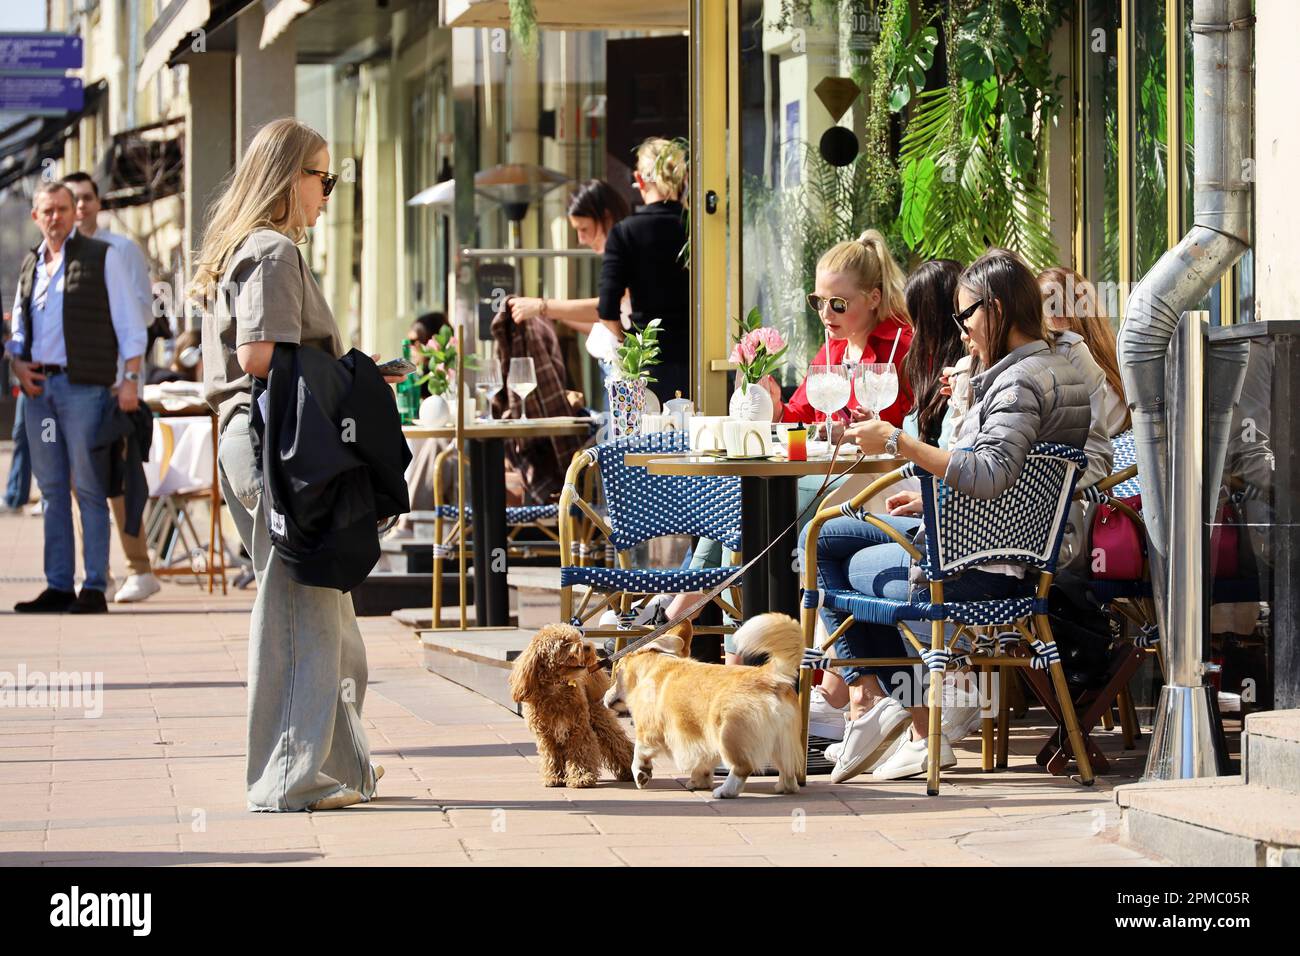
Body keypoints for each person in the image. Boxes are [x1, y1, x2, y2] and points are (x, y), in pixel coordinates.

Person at [807, 248, 1091, 783]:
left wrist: (899, 442)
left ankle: (904, 711)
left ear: (997, 309)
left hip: (977, 567)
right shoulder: (1049, 369)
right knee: (824, 536)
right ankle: (879, 702)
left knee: (841, 555)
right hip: (1003, 547)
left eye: (965, 316)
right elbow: (1008, 479)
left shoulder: (1021, 380)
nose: (960, 331)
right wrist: (930, 490)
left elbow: (988, 473)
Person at [197, 117, 400, 812]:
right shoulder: (272, 251)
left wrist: (354, 373)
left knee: (331, 624)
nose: (327, 193)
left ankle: (339, 768)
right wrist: (350, 375)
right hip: (279, 445)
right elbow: (258, 355)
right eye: (323, 177)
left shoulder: (253, 249)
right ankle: (290, 778)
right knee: (300, 618)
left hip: (272, 440)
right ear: (290, 179)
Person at [6, 181, 147, 614]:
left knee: (88, 488)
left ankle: (94, 587)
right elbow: (18, 328)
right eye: (48, 210)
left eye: (63, 209)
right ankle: (59, 585)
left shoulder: (101, 257)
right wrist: (16, 363)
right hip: (39, 394)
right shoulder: (31, 264)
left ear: (75, 213)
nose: (56, 217)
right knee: (50, 490)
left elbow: (131, 326)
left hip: (84, 390)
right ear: (36, 216)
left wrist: (129, 379)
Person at [63, 171, 162, 603]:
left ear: (98, 202)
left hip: (116, 382)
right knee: (80, 483)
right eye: (73, 201)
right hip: (74, 386)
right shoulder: (55, 256)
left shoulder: (121, 250)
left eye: (86, 198)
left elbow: (141, 314)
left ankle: (139, 566)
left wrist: (127, 376)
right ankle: (96, 569)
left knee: (120, 478)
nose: (80, 207)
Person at [761, 229, 913, 428]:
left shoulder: (903, 348)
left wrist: (872, 430)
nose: (825, 313)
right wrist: (775, 408)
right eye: (818, 301)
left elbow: (920, 431)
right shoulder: (832, 349)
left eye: (838, 304)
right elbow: (802, 416)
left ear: (874, 298)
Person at [596, 139, 690, 404]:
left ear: (639, 178)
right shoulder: (696, 229)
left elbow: (607, 310)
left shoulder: (625, 232)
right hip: (698, 359)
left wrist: (627, 344)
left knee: (645, 440)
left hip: (648, 364)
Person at [510, 180, 631, 377]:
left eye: (583, 229)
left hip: (623, 369)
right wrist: (551, 313)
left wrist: (543, 306)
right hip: (613, 366)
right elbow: (604, 320)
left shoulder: (627, 251)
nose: (581, 239)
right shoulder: (621, 251)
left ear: (607, 218)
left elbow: (608, 308)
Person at [901, 259, 966, 447]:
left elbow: (950, 460)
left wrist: (895, 439)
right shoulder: (933, 375)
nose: (913, 333)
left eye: (916, 322)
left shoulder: (965, 378)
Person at [3, 313, 32, 513]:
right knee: (20, 434)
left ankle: (50, 495)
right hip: (28, 382)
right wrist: (14, 357)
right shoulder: (28, 284)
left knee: (49, 439)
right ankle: (15, 495)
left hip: (51, 385)